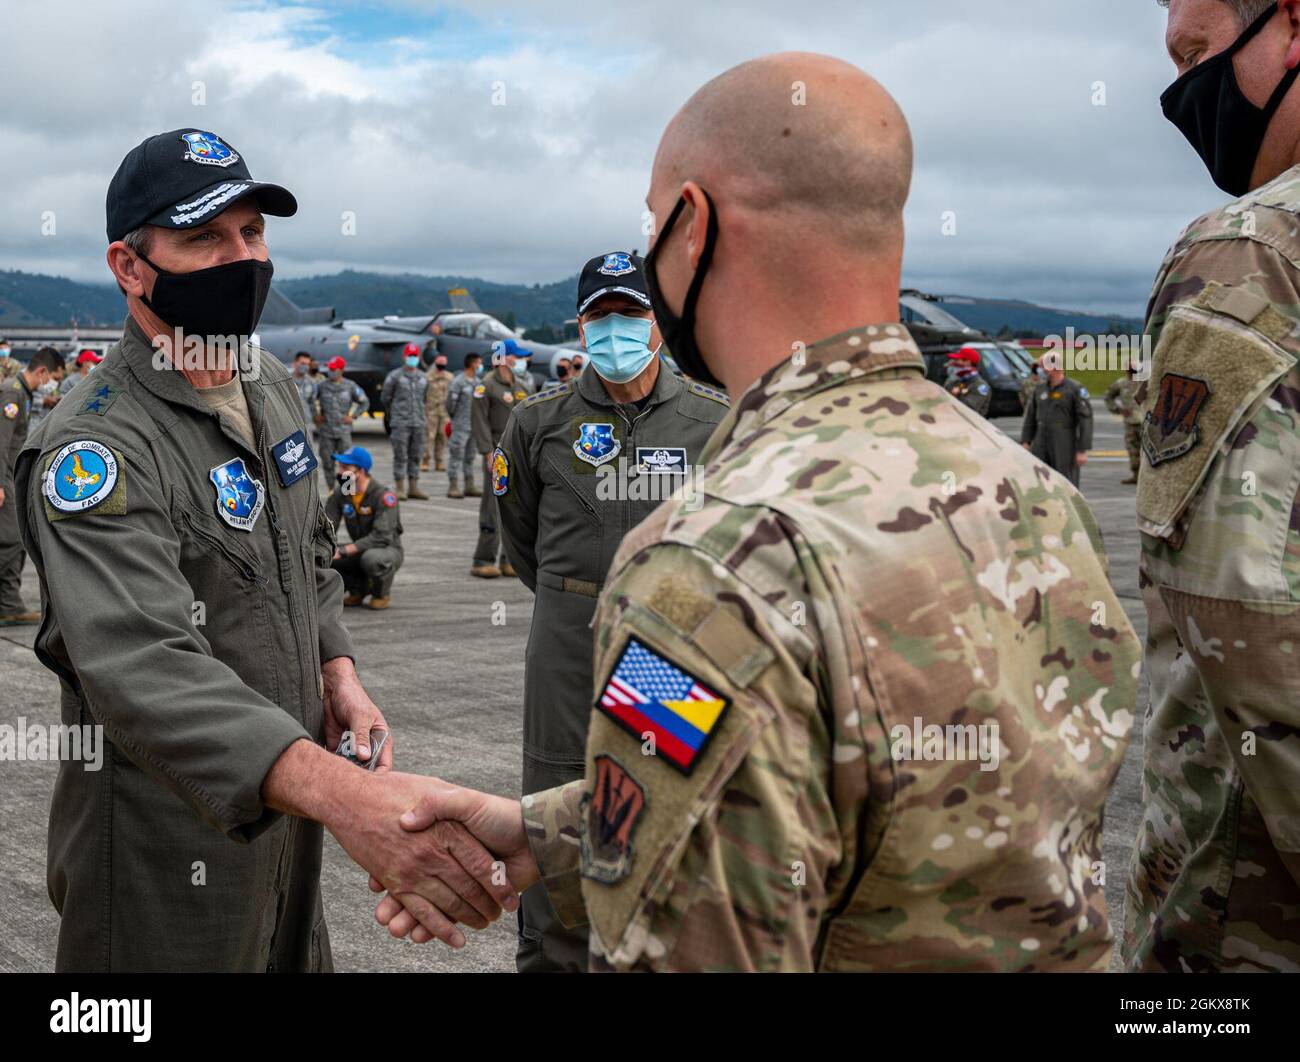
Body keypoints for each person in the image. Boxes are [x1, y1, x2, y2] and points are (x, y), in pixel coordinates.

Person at [374, 53, 1140, 972]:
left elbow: (690, 928)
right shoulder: (1038, 497)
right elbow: (870, 789)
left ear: (692, 228)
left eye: (654, 227)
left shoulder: (711, 557)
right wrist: (546, 832)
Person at [13, 127, 516, 971]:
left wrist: (337, 673)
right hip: (162, 854)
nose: (240, 258)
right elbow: (145, 667)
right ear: (131, 268)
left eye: (251, 233)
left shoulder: (270, 390)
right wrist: (356, 803)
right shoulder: (96, 450)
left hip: (289, 824)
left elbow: (306, 552)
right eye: (204, 238)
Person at [1124, 0, 1300, 973]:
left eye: (1196, 55)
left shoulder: (1250, 253)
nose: (1177, 91)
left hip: (1242, 929)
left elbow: (1249, 631)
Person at [494, 251, 730, 972]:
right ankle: (553, 956)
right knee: (556, 797)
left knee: (662, 793)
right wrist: (580, 601)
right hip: (569, 643)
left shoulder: (712, 420)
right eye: (601, 316)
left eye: (631, 314)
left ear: (658, 323)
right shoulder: (539, 424)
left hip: (670, 643)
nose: (616, 330)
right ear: (580, 324)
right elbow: (521, 539)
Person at [1, 347, 63, 625]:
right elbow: (1, 442)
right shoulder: (13, 394)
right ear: (42, 372)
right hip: (4, 477)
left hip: (9, 475)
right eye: (54, 377)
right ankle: (8, 604)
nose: (53, 384)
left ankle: (8, 602)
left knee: (13, 539)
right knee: (12, 539)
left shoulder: (21, 392)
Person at [469, 348, 530, 577]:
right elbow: (479, 420)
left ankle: (509, 559)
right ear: (504, 358)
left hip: (519, 456)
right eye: (517, 356)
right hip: (497, 454)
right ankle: (482, 558)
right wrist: (486, 452)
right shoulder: (485, 386)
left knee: (516, 509)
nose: (522, 361)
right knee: (492, 508)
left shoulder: (522, 385)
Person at [324, 446, 403, 611]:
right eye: (339, 467)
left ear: (360, 471)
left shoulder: (383, 496)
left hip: (386, 548)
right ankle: (358, 589)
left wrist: (345, 550)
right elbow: (327, 525)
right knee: (325, 555)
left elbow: (381, 537)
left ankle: (380, 593)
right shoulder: (344, 492)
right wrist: (325, 548)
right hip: (360, 546)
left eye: (345, 468)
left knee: (371, 559)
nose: (339, 472)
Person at [1019, 355, 1093, 486]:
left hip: (1064, 440)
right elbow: (1030, 416)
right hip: (1041, 440)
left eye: (1043, 367)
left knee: (1065, 480)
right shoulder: (1040, 389)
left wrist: (1082, 450)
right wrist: (1026, 441)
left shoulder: (1075, 389)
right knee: (1040, 479)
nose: (1040, 370)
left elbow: (1085, 420)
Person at [381, 343, 429, 501]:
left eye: (415, 355)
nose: (413, 358)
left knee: (416, 455)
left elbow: (424, 399)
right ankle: (400, 487)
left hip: (419, 422)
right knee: (400, 455)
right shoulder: (394, 376)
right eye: (410, 355)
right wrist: (395, 414)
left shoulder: (423, 377)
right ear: (404, 356)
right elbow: (386, 398)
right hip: (400, 423)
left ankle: (413, 487)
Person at [314, 355, 368, 488]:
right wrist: (316, 415)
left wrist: (353, 416)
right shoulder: (322, 386)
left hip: (343, 432)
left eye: (334, 369)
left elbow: (364, 402)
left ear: (341, 370)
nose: (330, 371)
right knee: (327, 463)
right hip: (326, 431)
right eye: (329, 369)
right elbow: (309, 401)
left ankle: (346, 491)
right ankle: (332, 490)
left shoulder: (350, 386)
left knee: (347, 464)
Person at [445, 351, 481, 498]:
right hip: (460, 425)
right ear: (472, 364)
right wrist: (456, 419)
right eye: (478, 363)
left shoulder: (478, 383)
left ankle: (469, 485)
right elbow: (450, 404)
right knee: (456, 455)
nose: (480, 366)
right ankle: (453, 486)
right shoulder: (458, 382)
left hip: (474, 425)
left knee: (470, 456)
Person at [1103, 367, 1141, 485]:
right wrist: (1117, 409)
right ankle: (1136, 474)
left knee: (1148, 450)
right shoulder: (1121, 384)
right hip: (1130, 422)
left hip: (1146, 422)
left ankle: (1146, 476)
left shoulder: (1146, 382)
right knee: (1132, 449)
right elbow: (1108, 396)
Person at [422, 353, 453, 474]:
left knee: (442, 436)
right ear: (435, 363)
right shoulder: (427, 377)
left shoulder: (450, 377)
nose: (442, 364)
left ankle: (439, 461)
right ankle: (425, 461)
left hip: (444, 412)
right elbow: (422, 395)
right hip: (431, 411)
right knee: (429, 436)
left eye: (444, 362)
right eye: (440, 362)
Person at [942, 346, 992, 416]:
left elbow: (969, 409)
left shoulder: (980, 385)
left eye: (957, 360)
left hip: (970, 425)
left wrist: (955, 395)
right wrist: (950, 380)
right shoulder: (954, 382)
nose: (953, 364)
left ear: (968, 362)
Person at [26, 347, 66, 430]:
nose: (55, 383)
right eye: (55, 379)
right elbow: (25, 403)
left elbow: (55, 393)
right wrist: (43, 401)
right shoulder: (26, 383)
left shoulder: (49, 384)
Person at [290, 350, 317, 429]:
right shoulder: (285, 382)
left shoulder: (312, 383)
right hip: (290, 425)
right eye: (303, 364)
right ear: (295, 363)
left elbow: (312, 403)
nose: (305, 366)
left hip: (306, 424)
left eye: (308, 364)